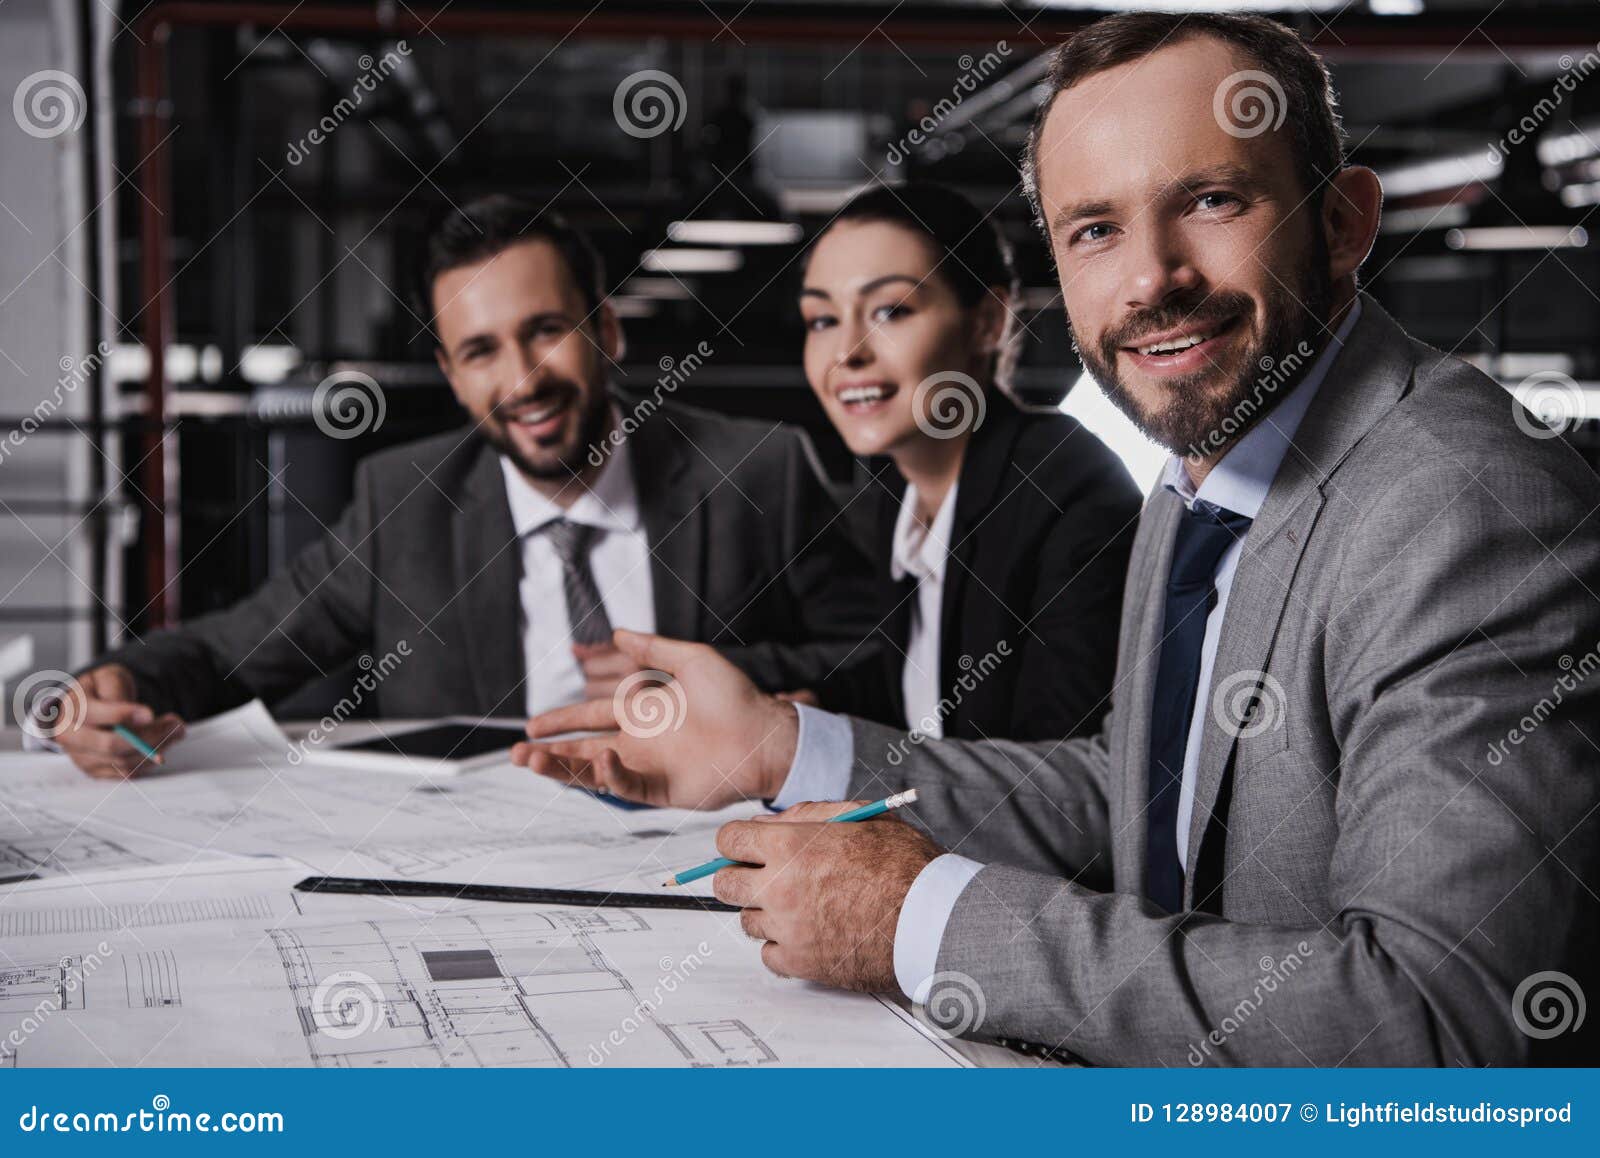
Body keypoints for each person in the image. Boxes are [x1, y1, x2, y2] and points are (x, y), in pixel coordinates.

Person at [513, 14, 1600, 1066]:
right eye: (1094, 229)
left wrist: (924, 918)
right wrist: (783, 752)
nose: (1148, 278)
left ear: (1346, 222)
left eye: (1212, 200)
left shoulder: (1469, 506)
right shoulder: (1198, 472)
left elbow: (1442, 1025)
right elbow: (1131, 796)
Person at [47, 194, 878, 780]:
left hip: (710, 851)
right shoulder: (401, 504)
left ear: (607, 331)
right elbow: (224, 654)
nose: (522, 380)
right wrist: (115, 690)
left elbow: (883, 658)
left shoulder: (757, 469)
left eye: (546, 332)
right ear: (451, 374)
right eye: (482, 351)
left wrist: (725, 680)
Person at [794, 182, 1139, 741]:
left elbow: (1063, 777)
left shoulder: (1069, 490)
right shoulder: (894, 487)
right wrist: (799, 713)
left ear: (987, 322)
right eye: (822, 320)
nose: (847, 354)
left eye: (890, 311)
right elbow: (922, 686)